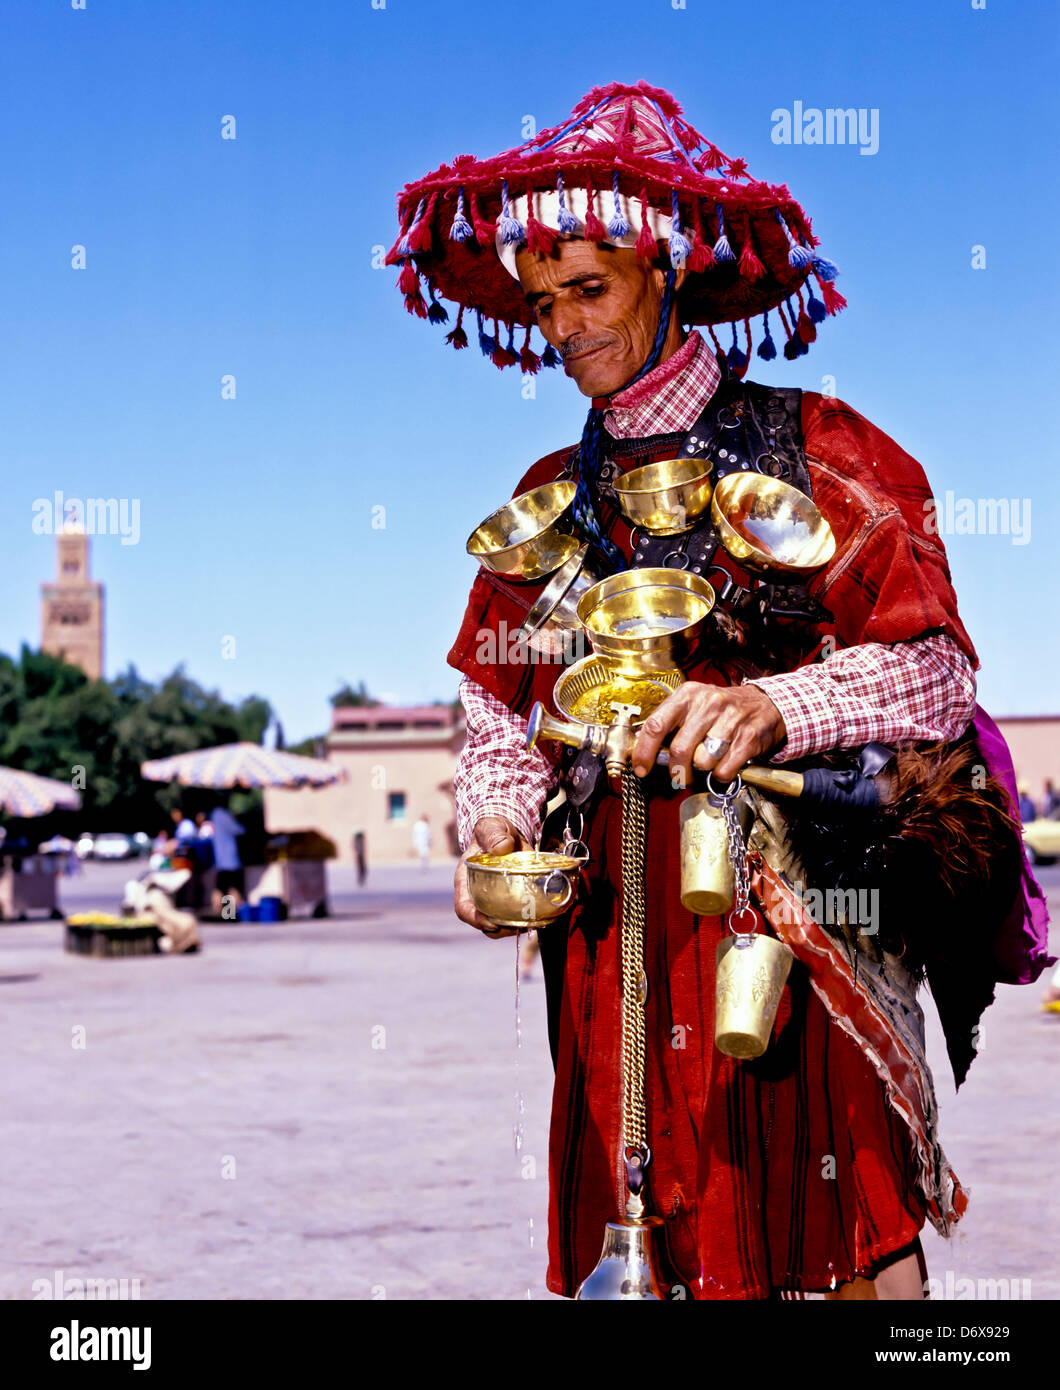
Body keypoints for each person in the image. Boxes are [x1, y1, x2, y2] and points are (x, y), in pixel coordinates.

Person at [387, 81, 1052, 1300]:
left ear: (668, 272)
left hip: (788, 914)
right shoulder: (546, 496)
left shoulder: (824, 448)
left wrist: (774, 707)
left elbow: (935, 669)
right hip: (610, 929)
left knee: (845, 1239)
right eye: (542, 304)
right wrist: (490, 816)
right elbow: (498, 707)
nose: (561, 330)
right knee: (645, 1244)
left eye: (588, 291)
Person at [205, 802, 245, 918]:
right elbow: (238, 829)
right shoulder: (224, 815)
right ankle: (229, 914)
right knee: (233, 886)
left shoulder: (214, 815)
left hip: (219, 859)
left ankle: (219, 912)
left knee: (220, 886)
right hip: (230, 858)